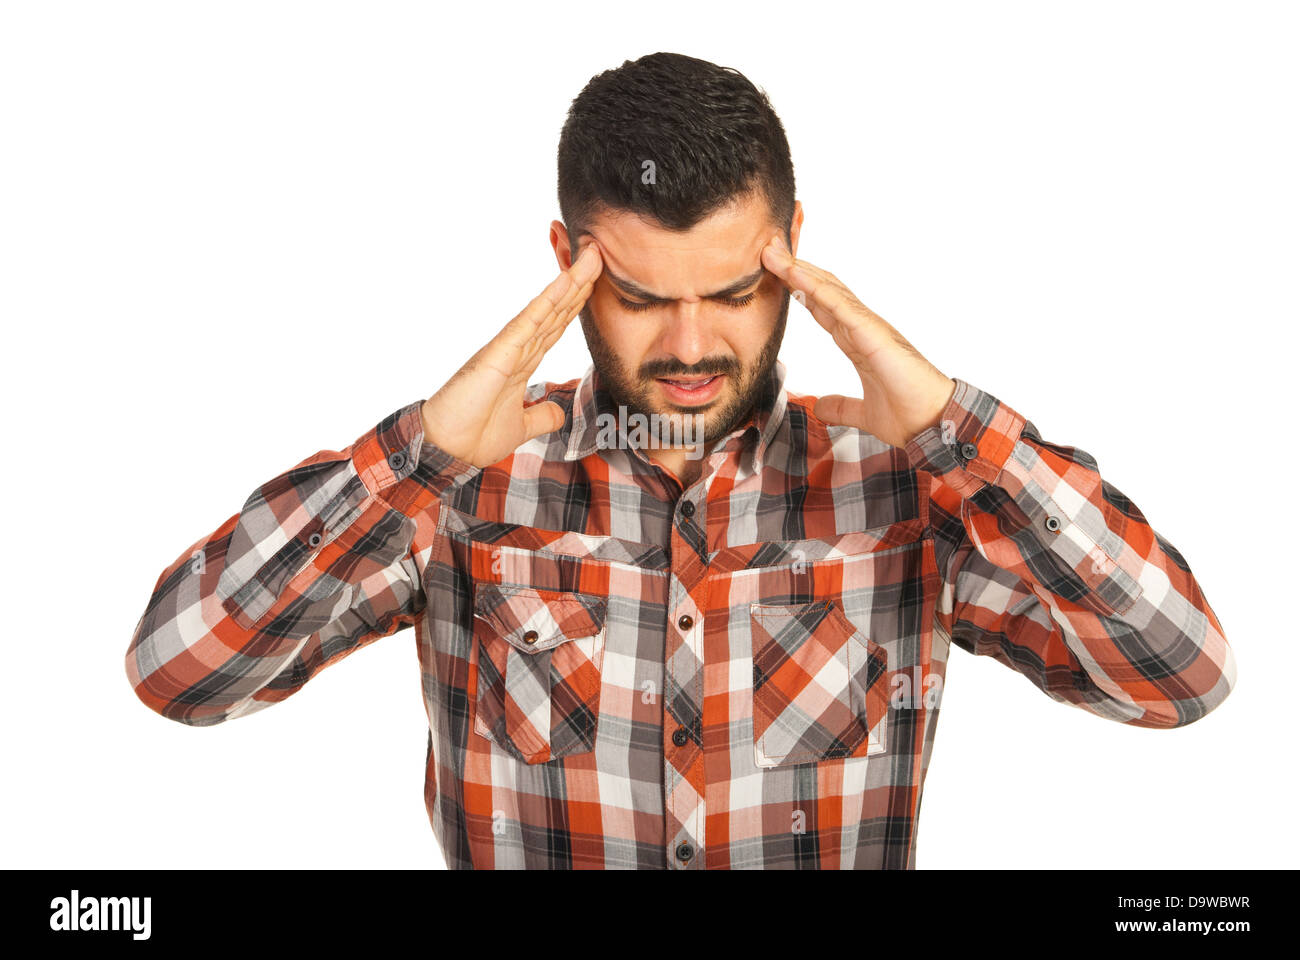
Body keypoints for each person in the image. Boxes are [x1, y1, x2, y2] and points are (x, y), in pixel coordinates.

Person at [125, 52, 1235, 869]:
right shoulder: (458, 495)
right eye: (644, 298)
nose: (693, 346)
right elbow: (180, 673)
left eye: (737, 292)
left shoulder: (909, 489)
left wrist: (959, 432)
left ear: (792, 243)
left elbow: (1180, 679)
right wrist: (414, 457)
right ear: (568, 261)